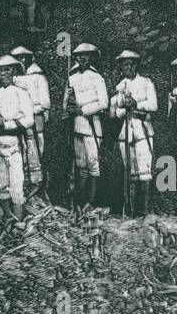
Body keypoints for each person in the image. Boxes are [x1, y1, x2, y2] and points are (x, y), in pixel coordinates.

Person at [110, 49, 158, 217]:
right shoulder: (120, 86)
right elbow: (114, 112)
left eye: (130, 64)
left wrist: (137, 104)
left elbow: (153, 106)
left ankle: (144, 210)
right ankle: (129, 210)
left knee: (144, 171)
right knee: (129, 172)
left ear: (136, 65)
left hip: (142, 129)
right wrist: (123, 108)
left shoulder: (146, 83)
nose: (127, 67)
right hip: (126, 131)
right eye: (124, 65)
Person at [0, 55, 33, 222]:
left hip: (15, 143)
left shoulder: (21, 93)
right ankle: (7, 218)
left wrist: (5, 124)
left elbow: (29, 120)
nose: (3, 73)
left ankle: (18, 220)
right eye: (0, 70)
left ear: (13, 71)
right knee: (3, 184)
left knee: (16, 185)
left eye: (7, 69)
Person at [65, 43, 108, 211]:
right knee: (80, 164)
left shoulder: (96, 77)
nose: (83, 58)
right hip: (77, 126)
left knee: (93, 163)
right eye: (79, 55)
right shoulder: (72, 77)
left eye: (87, 55)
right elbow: (66, 103)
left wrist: (82, 109)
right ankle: (79, 202)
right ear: (75, 57)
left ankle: (92, 202)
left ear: (91, 57)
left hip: (92, 125)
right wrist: (68, 107)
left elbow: (103, 102)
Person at [11, 45, 49, 196]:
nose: (20, 61)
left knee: (35, 152)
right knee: (21, 152)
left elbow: (45, 103)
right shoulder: (14, 79)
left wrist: (29, 110)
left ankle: (37, 184)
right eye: (17, 58)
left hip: (35, 120)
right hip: (18, 122)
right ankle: (24, 185)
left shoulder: (38, 77)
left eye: (23, 57)